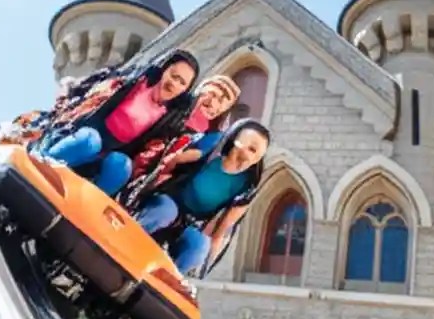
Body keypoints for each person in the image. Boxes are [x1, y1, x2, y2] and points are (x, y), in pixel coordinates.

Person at [30, 50, 200, 196]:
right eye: (173, 75)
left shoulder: (168, 120)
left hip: (107, 157)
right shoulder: (135, 81)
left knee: (122, 166)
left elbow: (146, 161)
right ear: (164, 70)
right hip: (84, 136)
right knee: (91, 140)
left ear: (185, 90)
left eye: (182, 82)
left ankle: (86, 206)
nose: (174, 83)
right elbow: (89, 96)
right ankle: (40, 164)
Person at [131, 119, 271, 277]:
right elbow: (174, 160)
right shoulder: (215, 145)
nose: (249, 158)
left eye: (257, 155)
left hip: (191, 222)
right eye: (250, 148)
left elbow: (222, 230)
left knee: (199, 246)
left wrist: (207, 263)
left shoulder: (247, 186)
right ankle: (127, 241)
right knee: (165, 212)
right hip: (172, 200)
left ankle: (167, 281)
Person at [117, 74, 240, 208]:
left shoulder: (212, 134)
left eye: (222, 103)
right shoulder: (179, 107)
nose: (214, 104)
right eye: (213, 96)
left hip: (167, 168)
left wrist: (175, 159)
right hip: (147, 149)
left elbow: (197, 152)